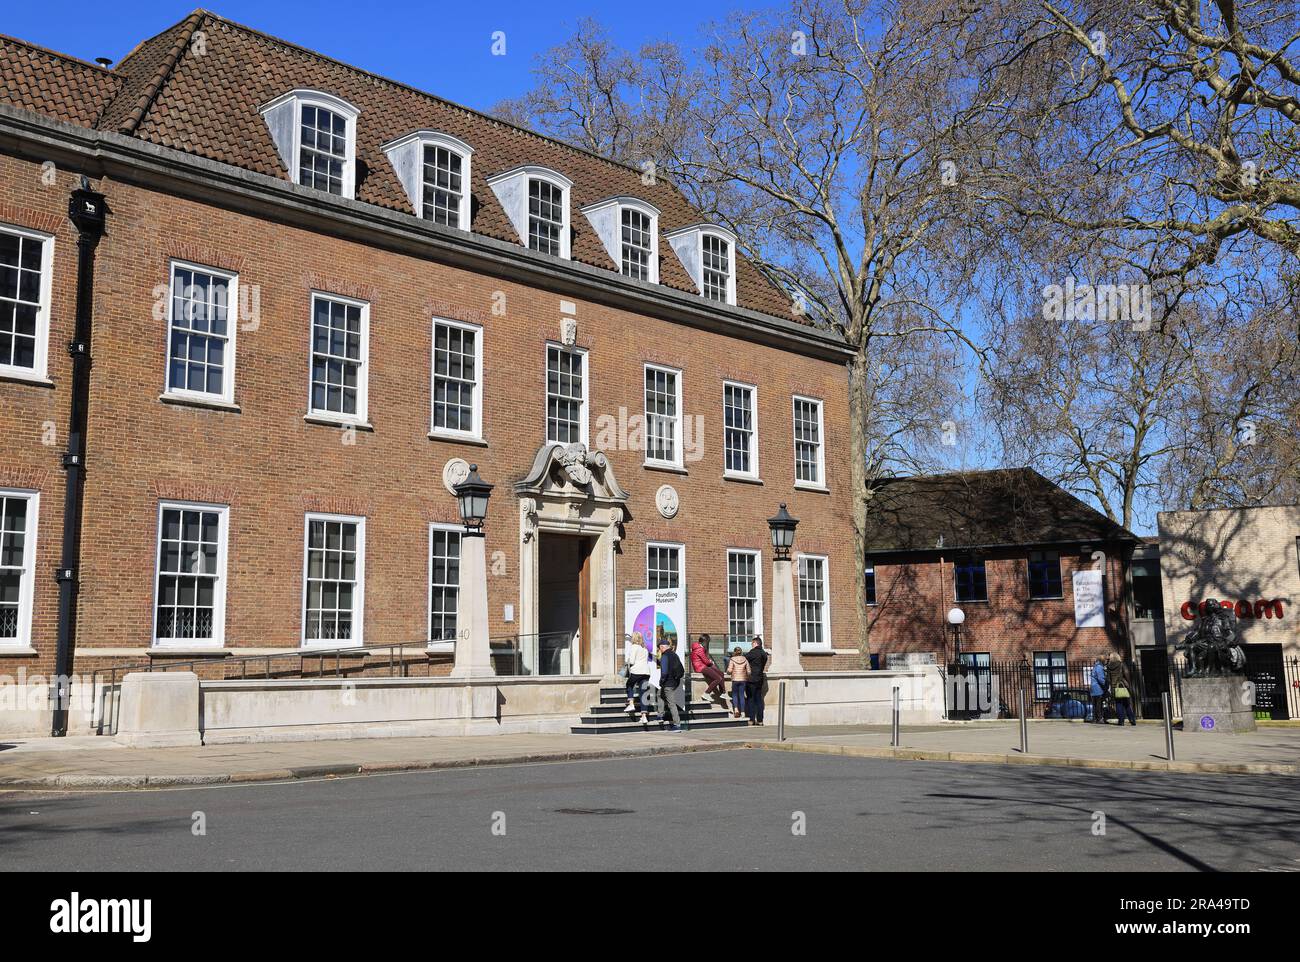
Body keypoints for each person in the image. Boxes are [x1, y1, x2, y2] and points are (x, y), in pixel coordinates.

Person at [690, 633, 729, 708]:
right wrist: (711, 662)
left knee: (721, 673)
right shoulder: (699, 649)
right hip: (700, 667)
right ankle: (706, 693)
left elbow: (704, 659)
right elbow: (706, 661)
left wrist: (710, 662)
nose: (707, 644)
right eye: (707, 642)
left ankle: (723, 692)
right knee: (718, 678)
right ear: (705, 641)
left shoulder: (698, 647)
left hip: (702, 666)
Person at [656, 639, 685, 732]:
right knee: (659, 694)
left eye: (659, 648)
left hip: (668, 683)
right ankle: (660, 715)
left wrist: (661, 681)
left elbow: (664, 672)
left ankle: (677, 724)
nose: (659, 650)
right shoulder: (674, 655)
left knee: (671, 704)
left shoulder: (665, 656)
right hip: (675, 682)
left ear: (662, 647)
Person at [624, 632, 651, 723]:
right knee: (643, 693)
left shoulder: (634, 647)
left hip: (637, 671)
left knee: (629, 685)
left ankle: (631, 703)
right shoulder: (645, 648)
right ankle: (644, 716)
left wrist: (627, 662)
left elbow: (631, 661)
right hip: (646, 672)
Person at [744, 636, 769, 726]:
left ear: (755, 643)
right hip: (760, 679)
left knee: (750, 699)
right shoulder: (764, 654)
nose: (751, 645)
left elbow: (744, 659)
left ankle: (751, 719)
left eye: (752, 644)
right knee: (759, 699)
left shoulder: (752, 653)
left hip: (751, 679)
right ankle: (760, 720)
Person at [1106, 652, 1136, 727]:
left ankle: (1121, 721)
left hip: (1114, 687)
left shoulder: (1108, 666)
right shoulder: (1121, 664)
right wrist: (1128, 683)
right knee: (1126, 704)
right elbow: (1126, 674)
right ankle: (1132, 720)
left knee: (1118, 704)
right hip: (1122, 686)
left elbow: (1108, 679)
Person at [726, 646, 750, 718]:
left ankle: (736, 710)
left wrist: (728, 672)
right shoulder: (745, 659)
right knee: (742, 695)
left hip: (735, 680)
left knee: (735, 695)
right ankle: (743, 712)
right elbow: (749, 671)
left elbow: (729, 671)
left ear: (734, 652)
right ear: (741, 652)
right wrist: (745, 674)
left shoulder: (732, 659)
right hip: (743, 680)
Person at [1089, 657, 1108, 724]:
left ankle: (1094, 719)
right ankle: (1099, 719)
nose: (1106, 661)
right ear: (1102, 660)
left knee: (1095, 705)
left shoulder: (1095, 667)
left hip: (1093, 688)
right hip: (1098, 689)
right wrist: (1105, 685)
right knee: (1099, 705)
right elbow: (1101, 679)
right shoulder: (1099, 667)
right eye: (1105, 660)